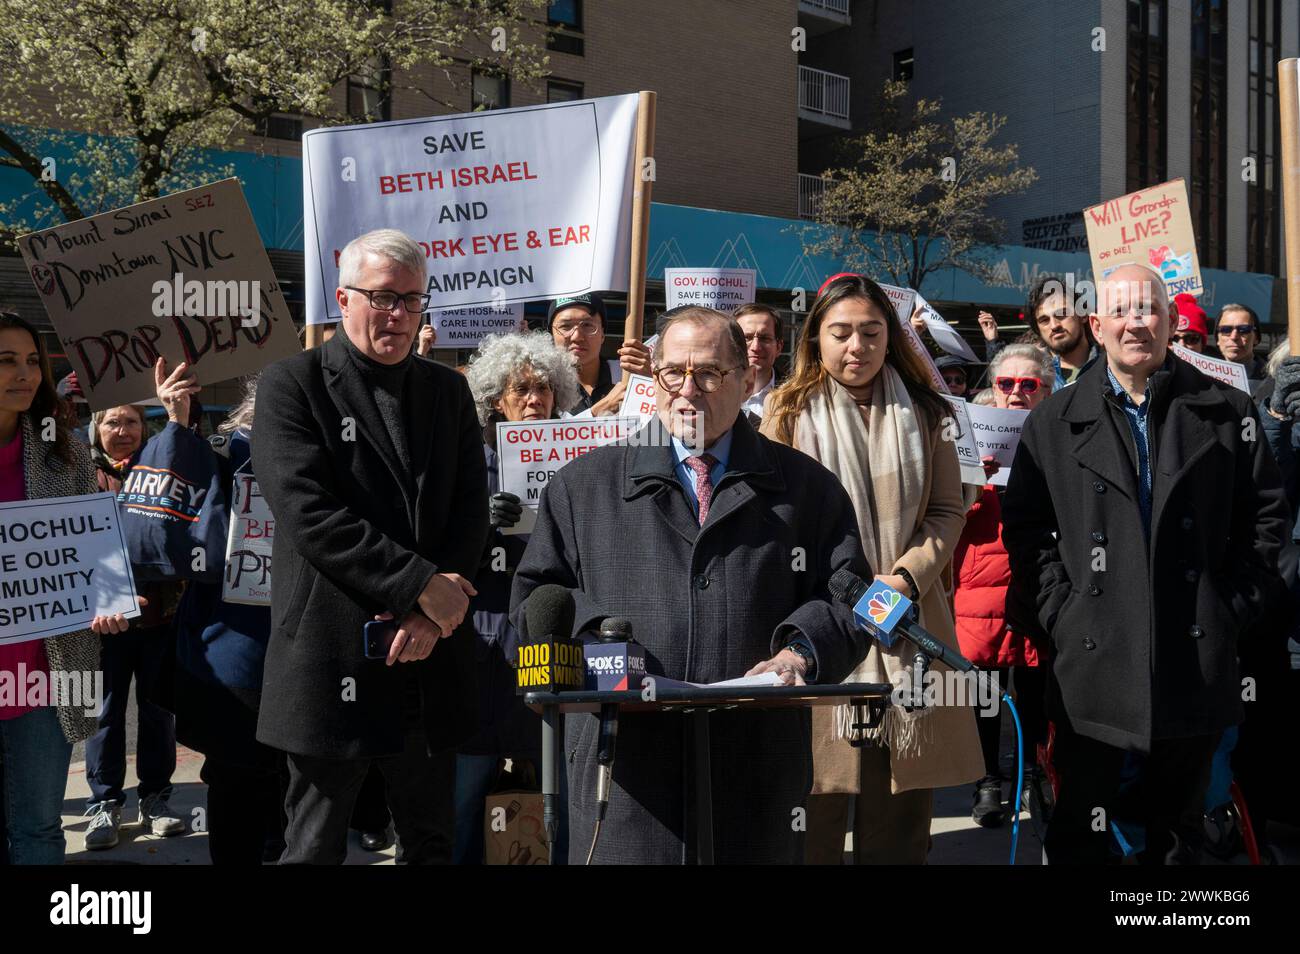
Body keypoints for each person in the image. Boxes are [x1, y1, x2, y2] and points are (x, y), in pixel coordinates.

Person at [511, 306, 873, 864]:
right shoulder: (583, 488)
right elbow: (537, 604)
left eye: (707, 373)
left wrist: (799, 653)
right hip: (624, 775)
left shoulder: (808, 490)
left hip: (756, 766)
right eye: (671, 373)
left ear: (747, 379)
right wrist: (593, 652)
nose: (687, 390)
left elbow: (850, 597)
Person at [1002, 263, 1288, 864]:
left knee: (1178, 839)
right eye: (1124, 311)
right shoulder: (1051, 422)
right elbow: (1028, 534)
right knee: (1084, 831)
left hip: (1195, 661)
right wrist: (1065, 611)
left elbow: (1266, 522)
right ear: (1098, 324)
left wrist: (1227, 608)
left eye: (1151, 309)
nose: (1138, 322)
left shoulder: (1227, 410)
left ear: (1170, 321)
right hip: (1092, 671)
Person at [252, 228, 490, 865]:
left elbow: (471, 513)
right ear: (343, 298)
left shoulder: (448, 391)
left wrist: (429, 614)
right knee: (313, 846)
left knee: (431, 842)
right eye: (384, 298)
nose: (400, 316)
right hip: (332, 657)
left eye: (413, 302)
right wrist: (418, 585)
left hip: (428, 657)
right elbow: (310, 514)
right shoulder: (291, 384)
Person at [762, 274, 983, 864]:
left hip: (907, 621)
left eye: (870, 332)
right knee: (816, 807)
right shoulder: (783, 414)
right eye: (840, 333)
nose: (856, 346)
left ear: (891, 338)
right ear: (815, 340)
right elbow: (769, 524)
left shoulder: (932, 412)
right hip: (818, 625)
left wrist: (905, 578)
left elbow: (946, 511)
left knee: (902, 810)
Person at [0, 310, 133, 864]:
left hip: (45, 676)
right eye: (7, 360)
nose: (25, 373)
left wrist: (107, 600)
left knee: (38, 829)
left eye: (33, 361)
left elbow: (97, 553)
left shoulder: (65, 451)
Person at [459, 331, 580, 864]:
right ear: (496, 399)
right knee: (466, 787)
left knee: (555, 785)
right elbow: (438, 558)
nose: (535, 400)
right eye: (521, 389)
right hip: (482, 647)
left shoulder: (579, 466)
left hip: (549, 648)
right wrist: (481, 530)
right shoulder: (466, 469)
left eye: (545, 389)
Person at [953, 344, 1053, 828]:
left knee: (1036, 690)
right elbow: (946, 516)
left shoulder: (1063, 435)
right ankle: (988, 780)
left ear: (1047, 391)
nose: (1016, 393)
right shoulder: (966, 438)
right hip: (981, 588)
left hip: (1041, 584)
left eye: (1029, 385)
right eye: (1006, 384)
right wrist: (972, 481)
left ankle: (1034, 774)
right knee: (985, 692)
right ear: (992, 389)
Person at [82, 399, 189, 849]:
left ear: (145, 430)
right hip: (99, 624)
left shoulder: (161, 471)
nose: (122, 430)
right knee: (101, 715)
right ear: (96, 430)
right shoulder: (79, 475)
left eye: (131, 422)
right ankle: (104, 804)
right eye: (112, 422)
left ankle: (155, 799)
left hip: (158, 618)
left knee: (158, 711)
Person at [548, 294, 651, 416]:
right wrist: (601, 409)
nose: (577, 337)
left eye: (587, 325)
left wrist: (651, 382)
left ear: (602, 334)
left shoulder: (627, 374)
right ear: (551, 335)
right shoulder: (543, 385)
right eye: (565, 326)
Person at [1026, 274, 1096, 390]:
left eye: (1062, 314)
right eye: (1044, 320)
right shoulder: (1031, 376)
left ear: (1083, 315)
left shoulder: (1111, 366)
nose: (1054, 326)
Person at [733, 303, 784, 420]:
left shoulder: (798, 398)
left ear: (779, 347)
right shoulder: (710, 393)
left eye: (765, 338)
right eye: (746, 338)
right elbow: (695, 437)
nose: (755, 347)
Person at [1215, 304, 1270, 399]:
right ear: (1217, 339)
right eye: (1225, 330)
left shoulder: (1274, 379)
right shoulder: (1203, 378)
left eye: (1244, 330)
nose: (1234, 337)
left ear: (1256, 338)